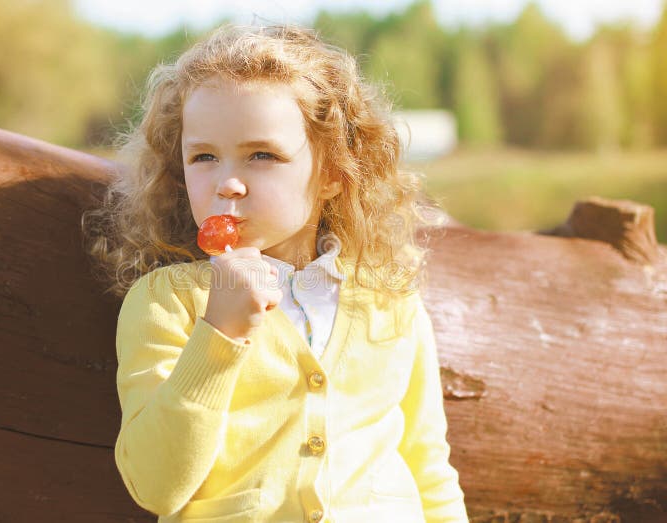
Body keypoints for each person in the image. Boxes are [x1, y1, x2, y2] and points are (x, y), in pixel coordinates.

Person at [82, 23, 469, 523]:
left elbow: (428, 467)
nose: (228, 183)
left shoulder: (389, 299)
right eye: (204, 157)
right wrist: (219, 334)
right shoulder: (167, 302)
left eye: (262, 155)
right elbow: (157, 486)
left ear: (333, 173)